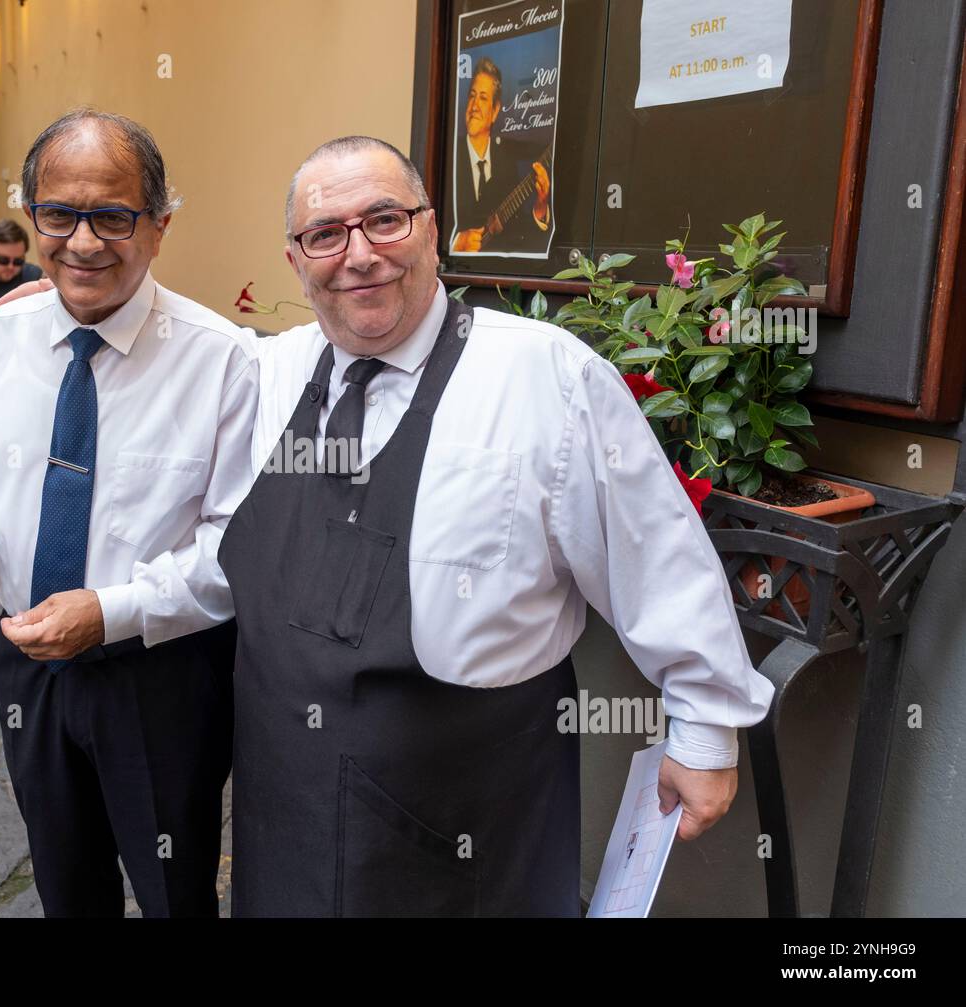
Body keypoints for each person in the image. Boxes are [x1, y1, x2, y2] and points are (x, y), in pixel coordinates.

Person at [214, 136, 773, 916]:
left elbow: (657, 555)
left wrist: (706, 728)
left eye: (385, 220)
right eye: (326, 234)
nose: (360, 253)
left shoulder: (546, 374)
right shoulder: (266, 373)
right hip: (286, 812)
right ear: (295, 260)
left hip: (467, 825)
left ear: (432, 227)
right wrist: (64, 298)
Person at [0, 109, 257, 918]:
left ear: (160, 225)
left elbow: (235, 550)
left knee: (175, 889)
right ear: (32, 216)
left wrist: (111, 610)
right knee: (65, 882)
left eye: (114, 216)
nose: (84, 241)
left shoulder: (222, 361)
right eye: (59, 214)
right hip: (28, 664)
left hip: (161, 674)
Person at [451, 57, 551, 254]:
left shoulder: (506, 163)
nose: (474, 106)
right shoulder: (450, 158)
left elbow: (517, 235)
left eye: (483, 98)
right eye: (472, 96)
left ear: (495, 111)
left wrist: (540, 207)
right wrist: (455, 244)